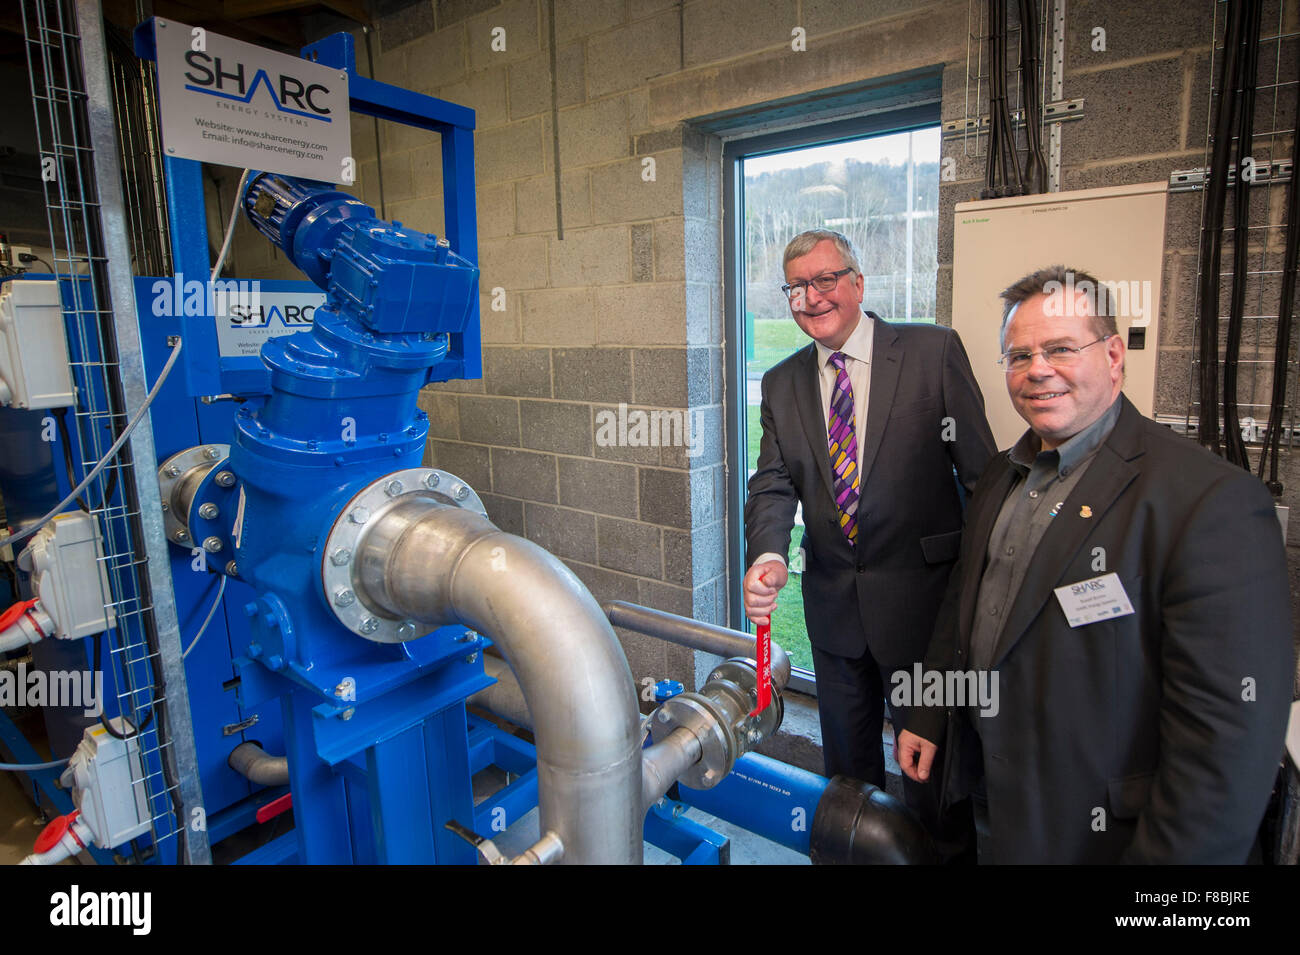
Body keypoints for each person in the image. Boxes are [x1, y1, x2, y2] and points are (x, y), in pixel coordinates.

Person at [896, 264, 1296, 863]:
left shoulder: (1209, 501)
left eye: (1060, 348)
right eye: (1018, 355)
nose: (1037, 369)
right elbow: (966, 603)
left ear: (1113, 357)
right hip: (989, 797)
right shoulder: (1004, 475)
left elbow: (1226, 745)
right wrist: (931, 710)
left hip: (1100, 833)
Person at [743, 229, 996, 842]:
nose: (812, 297)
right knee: (846, 782)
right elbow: (772, 484)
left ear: (856, 283)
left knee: (932, 781)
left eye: (825, 280)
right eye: (797, 286)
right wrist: (769, 553)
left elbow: (985, 480)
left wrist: (983, 597)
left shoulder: (931, 353)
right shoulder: (781, 383)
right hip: (835, 615)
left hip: (925, 616)